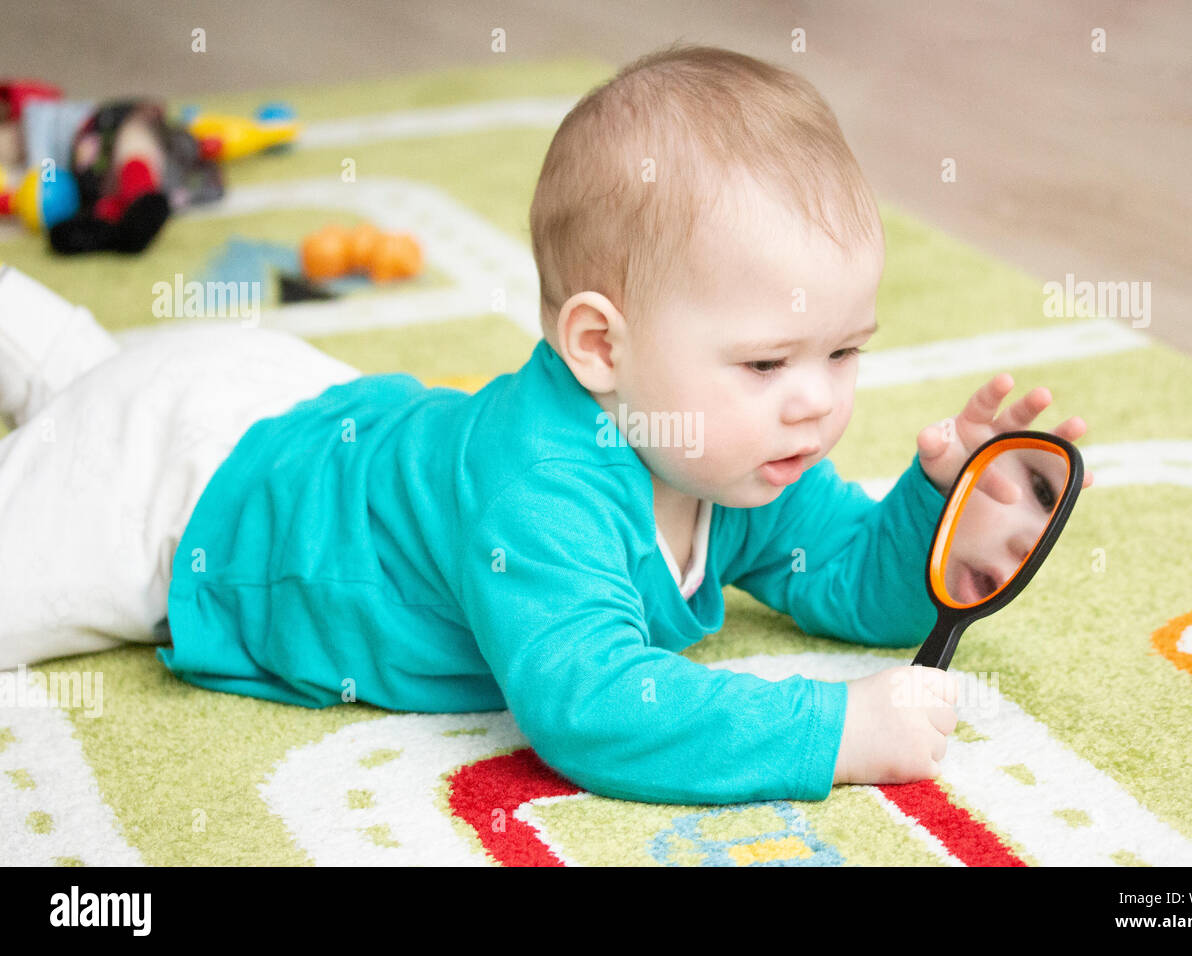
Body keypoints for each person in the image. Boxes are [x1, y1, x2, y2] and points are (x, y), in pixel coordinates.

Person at [0, 43, 1091, 804]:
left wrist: (941, 529)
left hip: (282, 395)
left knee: (77, 371)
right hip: (191, 489)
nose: (816, 398)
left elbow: (845, 575)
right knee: (77, 444)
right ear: (601, 348)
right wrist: (837, 730)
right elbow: (594, 707)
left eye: (843, 351)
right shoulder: (544, 486)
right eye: (765, 361)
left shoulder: (727, 449)